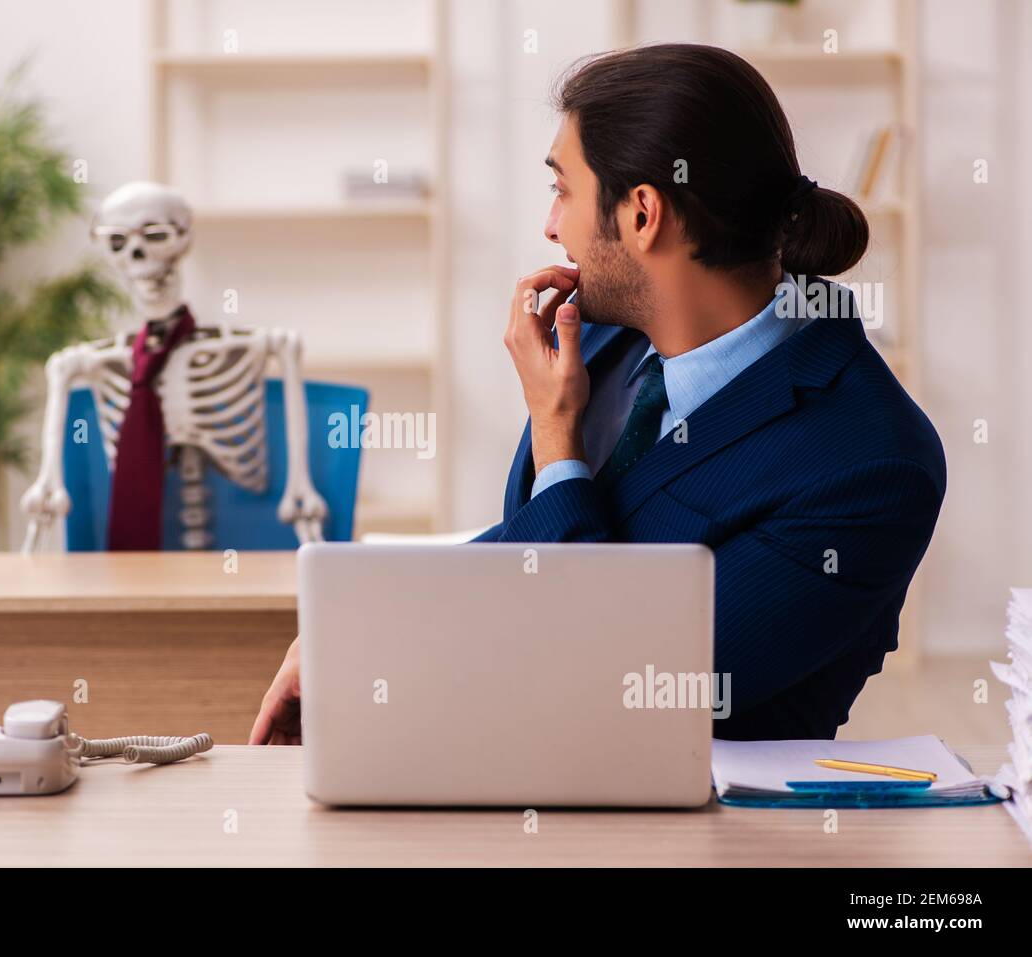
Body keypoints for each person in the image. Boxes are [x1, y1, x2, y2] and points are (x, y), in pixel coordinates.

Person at [250, 43, 944, 745]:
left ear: (643, 214)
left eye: (562, 190)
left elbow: (626, 680)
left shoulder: (871, 465)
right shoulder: (614, 340)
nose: (551, 228)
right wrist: (359, 627)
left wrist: (557, 441)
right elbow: (522, 554)